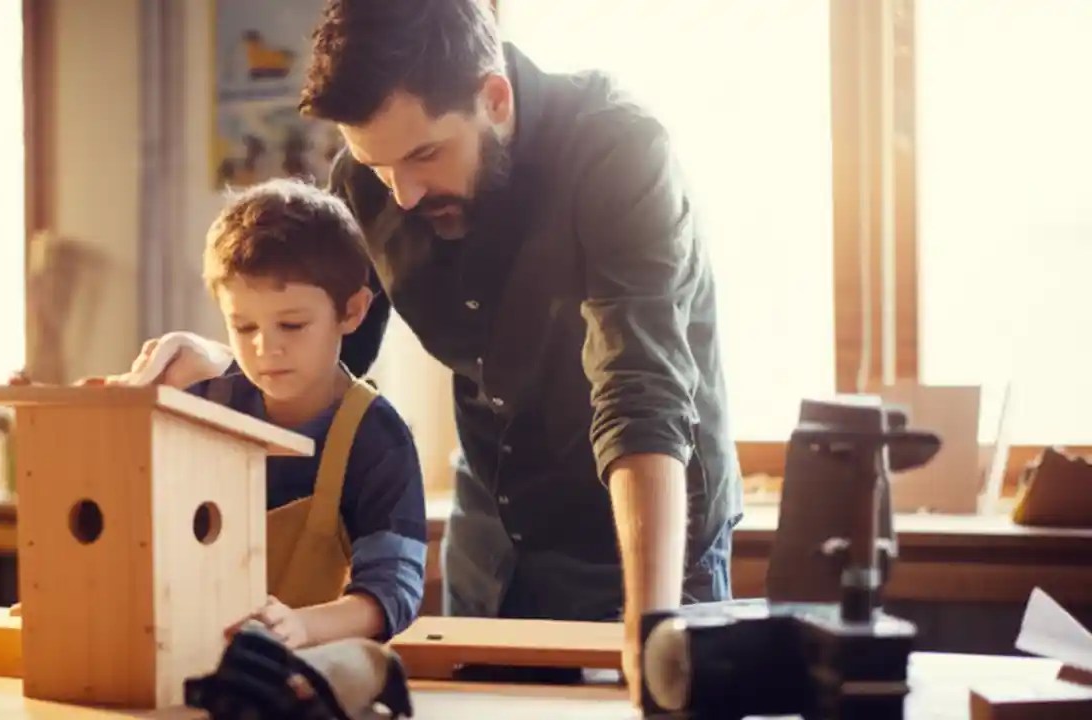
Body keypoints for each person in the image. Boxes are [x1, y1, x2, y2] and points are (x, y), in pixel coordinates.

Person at [136, 0, 742, 696]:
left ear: (494, 96)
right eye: (378, 164)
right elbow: (334, 357)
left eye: (426, 154)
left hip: (645, 535)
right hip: (496, 540)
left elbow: (641, 396)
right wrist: (226, 365)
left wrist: (650, 624)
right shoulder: (369, 179)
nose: (404, 191)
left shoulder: (619, 154)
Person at [131, 178, 428, 649]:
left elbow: (392, 592)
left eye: (292, 324)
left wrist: (300, 627)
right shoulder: (208, 407)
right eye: (243, 326)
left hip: (319, 666)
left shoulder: (375, 436)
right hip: (203, 657)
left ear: (351, 312)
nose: (266, 348)